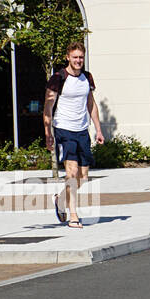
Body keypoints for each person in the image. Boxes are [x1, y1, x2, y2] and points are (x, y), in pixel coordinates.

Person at [44, 41, 104, 228]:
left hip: (82, 130)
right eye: (75, 57)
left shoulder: (87, 77)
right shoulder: (58, 78)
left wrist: (98, 129)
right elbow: (48, 107)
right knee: (72, 173)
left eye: (81, 57)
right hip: (64, 129)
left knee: (83, 177)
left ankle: (60, 200)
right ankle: (73, 216)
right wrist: (48, 133)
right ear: (68, 57)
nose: (78, 60)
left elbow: (91, 104)